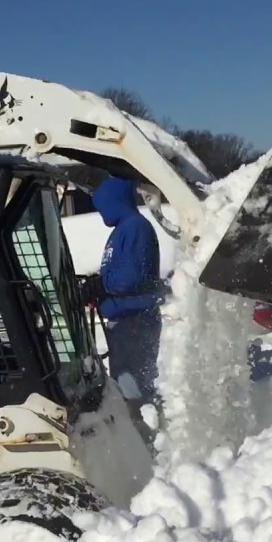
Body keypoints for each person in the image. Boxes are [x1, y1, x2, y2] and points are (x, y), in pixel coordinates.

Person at [78, 175, 164, 408]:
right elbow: (118, 270)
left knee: (132, 385)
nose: (101, 213)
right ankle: (137, 419)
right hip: (124, 319)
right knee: (124, 381)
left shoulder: (135, 227)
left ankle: (143, 423)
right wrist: (98, 287)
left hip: (135, 320)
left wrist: (100, 286)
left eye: (102, 207)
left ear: (114, 201)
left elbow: (131, 276)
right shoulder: (123, 229)